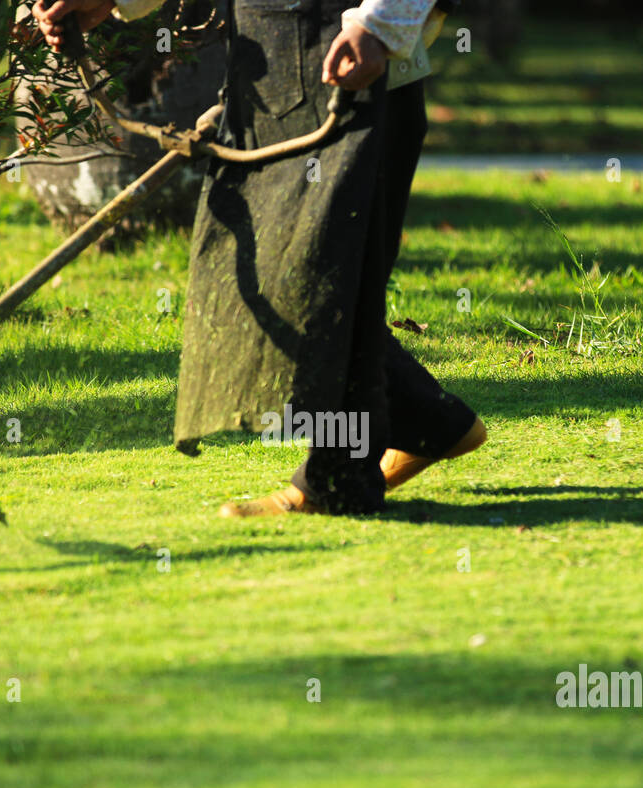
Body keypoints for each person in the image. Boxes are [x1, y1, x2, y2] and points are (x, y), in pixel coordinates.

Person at [34, 0, 485, 516]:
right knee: (280, 279)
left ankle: (338, 483)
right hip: (270, 84)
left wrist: (380, 26)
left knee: (331, 283)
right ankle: (431, 421)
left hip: (359, 80)